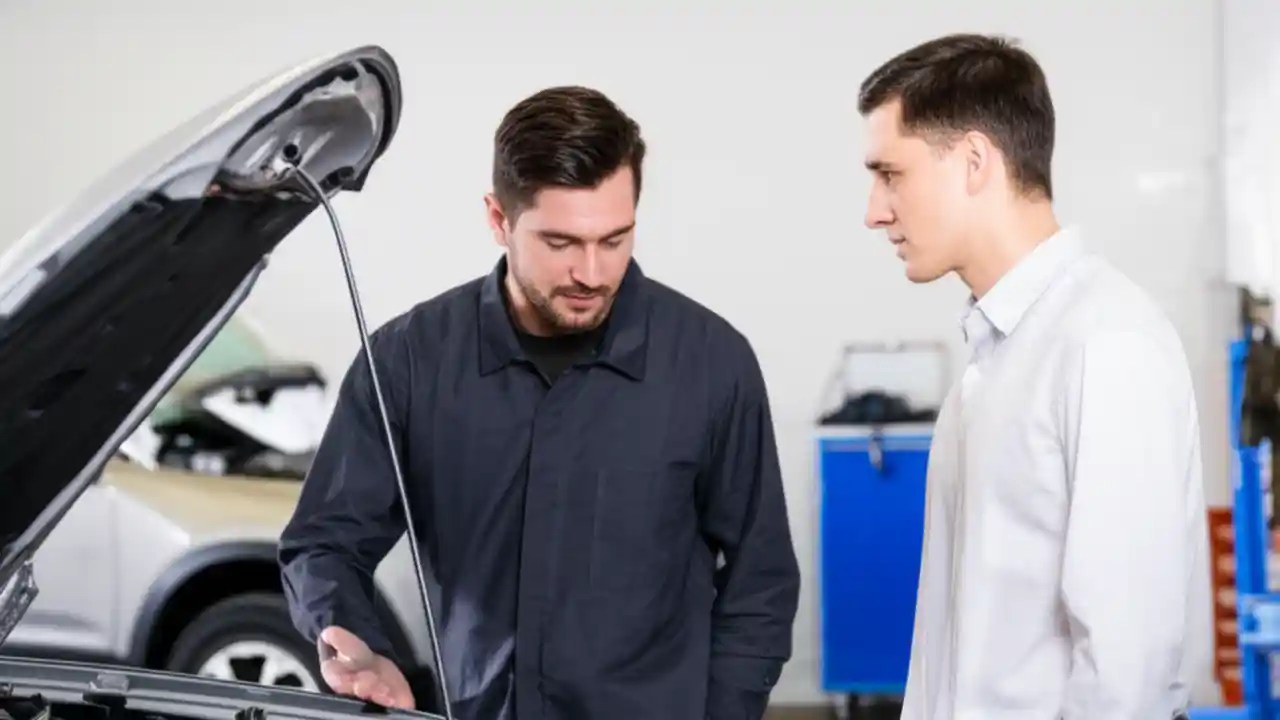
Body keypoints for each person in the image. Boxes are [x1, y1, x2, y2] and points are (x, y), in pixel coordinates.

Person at [278, 85, 801, 720]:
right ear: (498, 219)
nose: (592, 273)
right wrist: (357, 641)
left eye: (615, 239)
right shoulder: (406, 362)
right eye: (561, 243)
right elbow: (324, 544)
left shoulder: (713, 364)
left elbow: (760, 582)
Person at [856, 33, 1207, 719]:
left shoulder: (1105, 342)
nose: (874, 210)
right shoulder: (996, 359)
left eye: (891, 174)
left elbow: (1125, 672)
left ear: (974, 161)